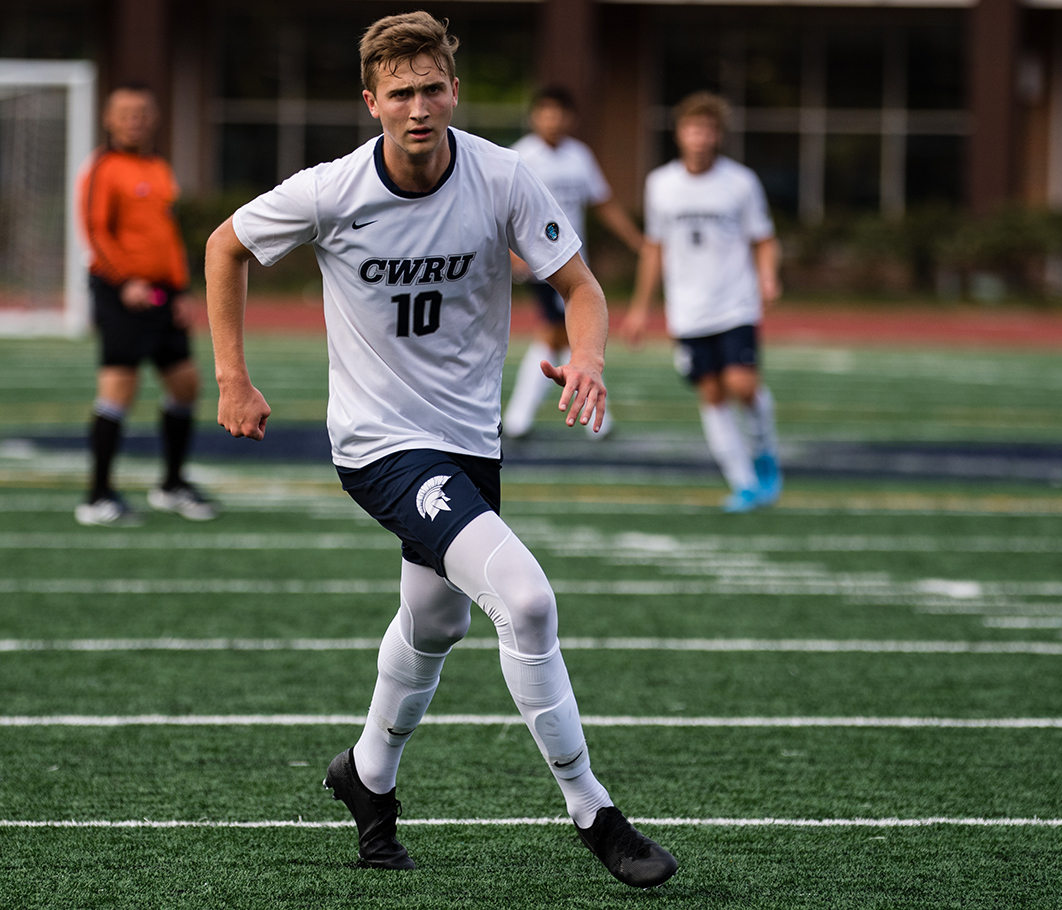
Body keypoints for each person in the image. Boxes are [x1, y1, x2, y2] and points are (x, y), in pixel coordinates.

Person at [204, 11, 676, 890]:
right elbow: (224, 246)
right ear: (371, 103)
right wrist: (233, 377)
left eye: (431, 89)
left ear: (454, 92)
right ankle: (594, 813)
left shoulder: (503, 177)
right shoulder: (332, 190)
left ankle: (367, 775)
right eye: (400, 93)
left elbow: (580, 287)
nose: (417, 107)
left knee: (437, 621)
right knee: (526, 602)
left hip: (468, 440)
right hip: (380, 446)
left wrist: (590, 357)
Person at [623, 91, 783, 513]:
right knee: (712, 393)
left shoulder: (741, 182)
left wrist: (768, 276)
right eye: (693, 129)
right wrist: (640, 309)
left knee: (742, 385)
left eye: (708, 130)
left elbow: (764, 239)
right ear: (680, 134)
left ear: (718, 135)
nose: (700, 137)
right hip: (688, 310)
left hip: (735, 302)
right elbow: (654, 248)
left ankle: (765, 452)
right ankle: (743, 483)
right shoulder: (660, 184)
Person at [74, 83, 217, 526]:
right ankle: (97, 496)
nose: (134, 120)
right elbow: (95, 230)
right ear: (109, 119)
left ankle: (171, 484)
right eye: (126, 112)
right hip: (121, 292)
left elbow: (167, 235)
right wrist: (124, 281)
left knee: (186, 384)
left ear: (154, 118)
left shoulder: (158, 167)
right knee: (119, 387)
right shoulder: (103, 168)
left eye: (142, 112)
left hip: (161, 293)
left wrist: (181, 290)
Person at [502, 87, 646, 441]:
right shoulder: (520, 156)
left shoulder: (580, 156)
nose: (552, 120)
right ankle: (525, 418)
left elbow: (603, 203)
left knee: (563, 337)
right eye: (545, 113)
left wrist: (635, 239)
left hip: (573, 265)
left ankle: (524, 418)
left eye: (559, 114)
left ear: (571, 119)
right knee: (559, 334)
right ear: (535, 117)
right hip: (540, 263)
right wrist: (513, 253)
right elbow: (500, 211)